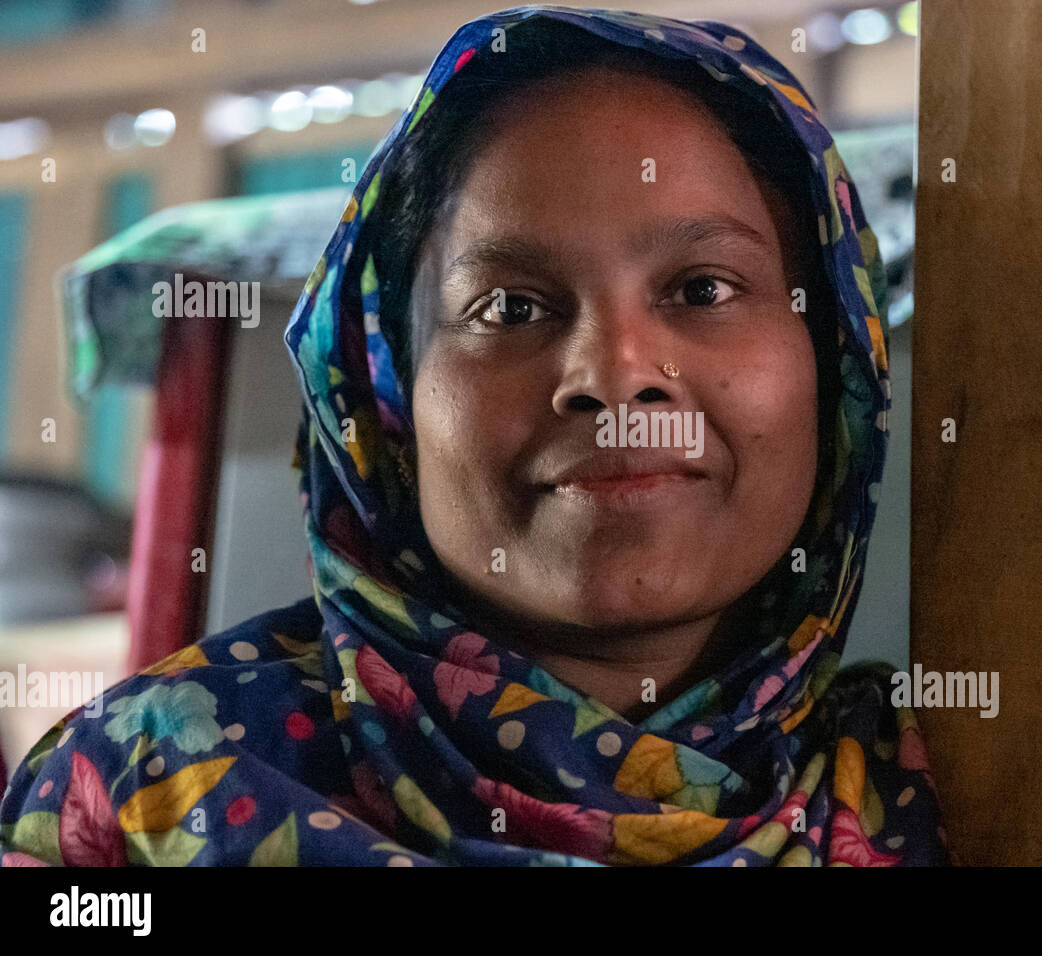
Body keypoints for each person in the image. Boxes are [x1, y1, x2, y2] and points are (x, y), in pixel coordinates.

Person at [0, 5, 947, 866]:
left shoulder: (955, 800)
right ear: (387, 408)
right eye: (511, 306)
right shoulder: (139, 793)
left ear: (836, 372)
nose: (615, 375)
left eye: (703, 289)